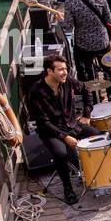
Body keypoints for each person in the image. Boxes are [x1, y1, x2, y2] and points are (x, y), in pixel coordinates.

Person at [26, 56, 95, 204]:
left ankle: (95, 175)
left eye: (65, 69)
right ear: (49, 71)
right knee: (61, 153)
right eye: (61, 69)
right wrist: (64, 137)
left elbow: (86, 89)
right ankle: (68, 188)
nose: (65, 72)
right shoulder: (36, 92)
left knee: (99, 136)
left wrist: (87, 114)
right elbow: (44, 123)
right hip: (51, 131)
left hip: (72, 125)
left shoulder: (68, 81)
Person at [62, 0, 111, 82]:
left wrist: (62, 20)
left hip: (84, 44)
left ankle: (91, 96)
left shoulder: (70, 3)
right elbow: (109, 19)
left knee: (86, 72)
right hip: (102, 42)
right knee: (108, 68)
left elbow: (68, 27)